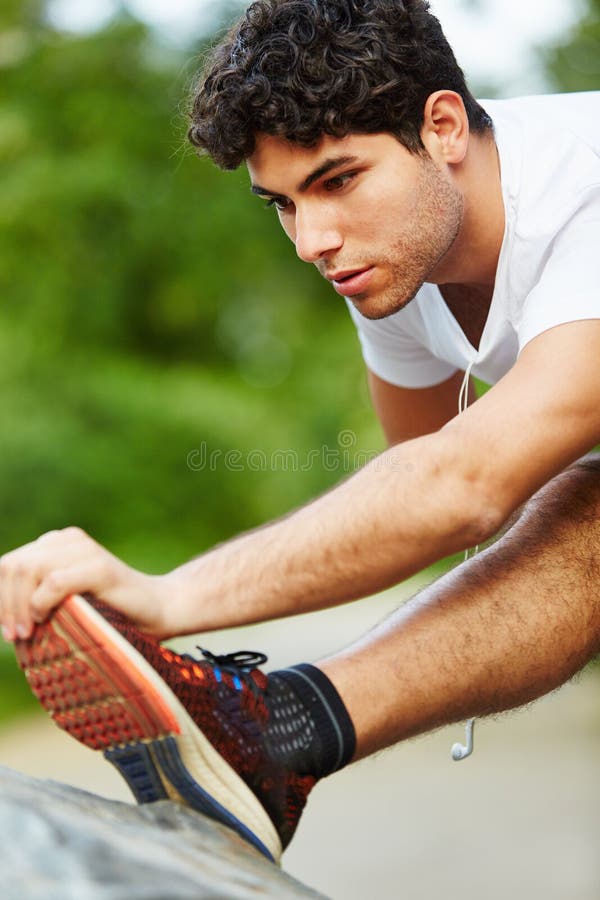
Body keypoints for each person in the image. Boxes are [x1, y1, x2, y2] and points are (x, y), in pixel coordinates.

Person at [2, 0, 600, 865]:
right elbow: (429, 478)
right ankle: (274, 735)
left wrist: (167, 598)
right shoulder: (393, 255)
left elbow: (462, 486)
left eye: (337, 180)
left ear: (442, 127)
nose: (312, 241)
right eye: (281, 203)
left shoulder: (583, 190)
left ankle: (269, 730)